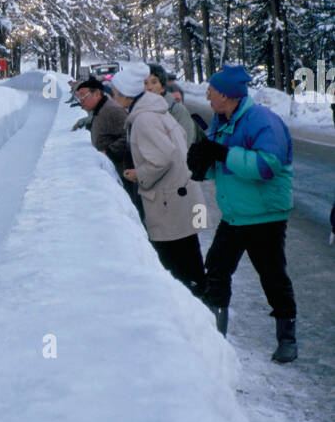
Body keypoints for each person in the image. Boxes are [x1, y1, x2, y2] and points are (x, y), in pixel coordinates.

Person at [187, 64, 297, 362]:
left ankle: (287, 337)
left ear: (227, 95)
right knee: (217, 271)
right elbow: (220, 164)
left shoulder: (262, 121)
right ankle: (214, 336)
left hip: (265, 216)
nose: (207, 95)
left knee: (273, 277)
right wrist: (200, 165)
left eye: (211, 90)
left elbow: (266, 166)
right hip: (235, 214)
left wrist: (221, 153)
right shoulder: (222, 121)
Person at [110, 63, 205, 292]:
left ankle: (195, 319)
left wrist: (139, 174)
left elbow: (163, 157)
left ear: (125, 95)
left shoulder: (144, 119)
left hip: (168, 201)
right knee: (190, 259)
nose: (112, 97)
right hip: (177, 196)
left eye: (114, 92)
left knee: (178, 269)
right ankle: (202, 313)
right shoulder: (155, 111)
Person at [73, 77, 129, 174]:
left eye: (83, 96)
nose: (81, 101)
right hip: (110, 166)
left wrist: (109, 152)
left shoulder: (112, 110)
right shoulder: (99, 109)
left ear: (97, 94)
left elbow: (129, 136)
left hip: (121, 169)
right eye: (79, 98)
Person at [146, 64, 200, 147]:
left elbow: (185, 145)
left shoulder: (176, 110)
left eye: (154, 82)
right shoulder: (137, 110)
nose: (149, 87)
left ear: (162, 87)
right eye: (145, 83)